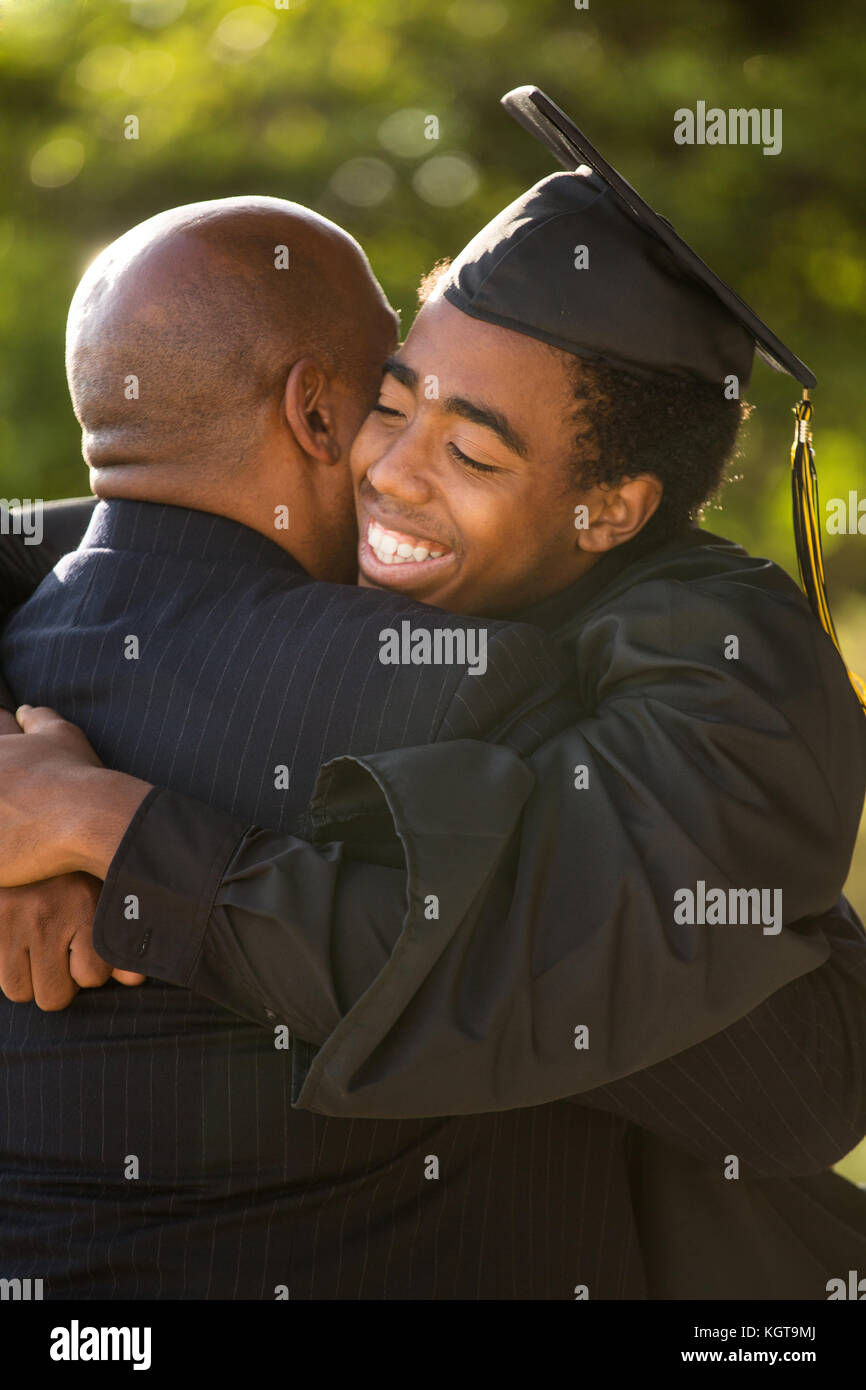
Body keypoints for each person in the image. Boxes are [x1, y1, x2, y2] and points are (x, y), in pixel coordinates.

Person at [1, 91, 865, 1297]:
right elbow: (794, 1084)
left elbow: (772, 1070)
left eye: (469, 452)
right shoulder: (461, 692)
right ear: (324, 405)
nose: (387, 472)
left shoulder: (686, 678)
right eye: (391, 403)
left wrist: (101, 826)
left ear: (610, 506)